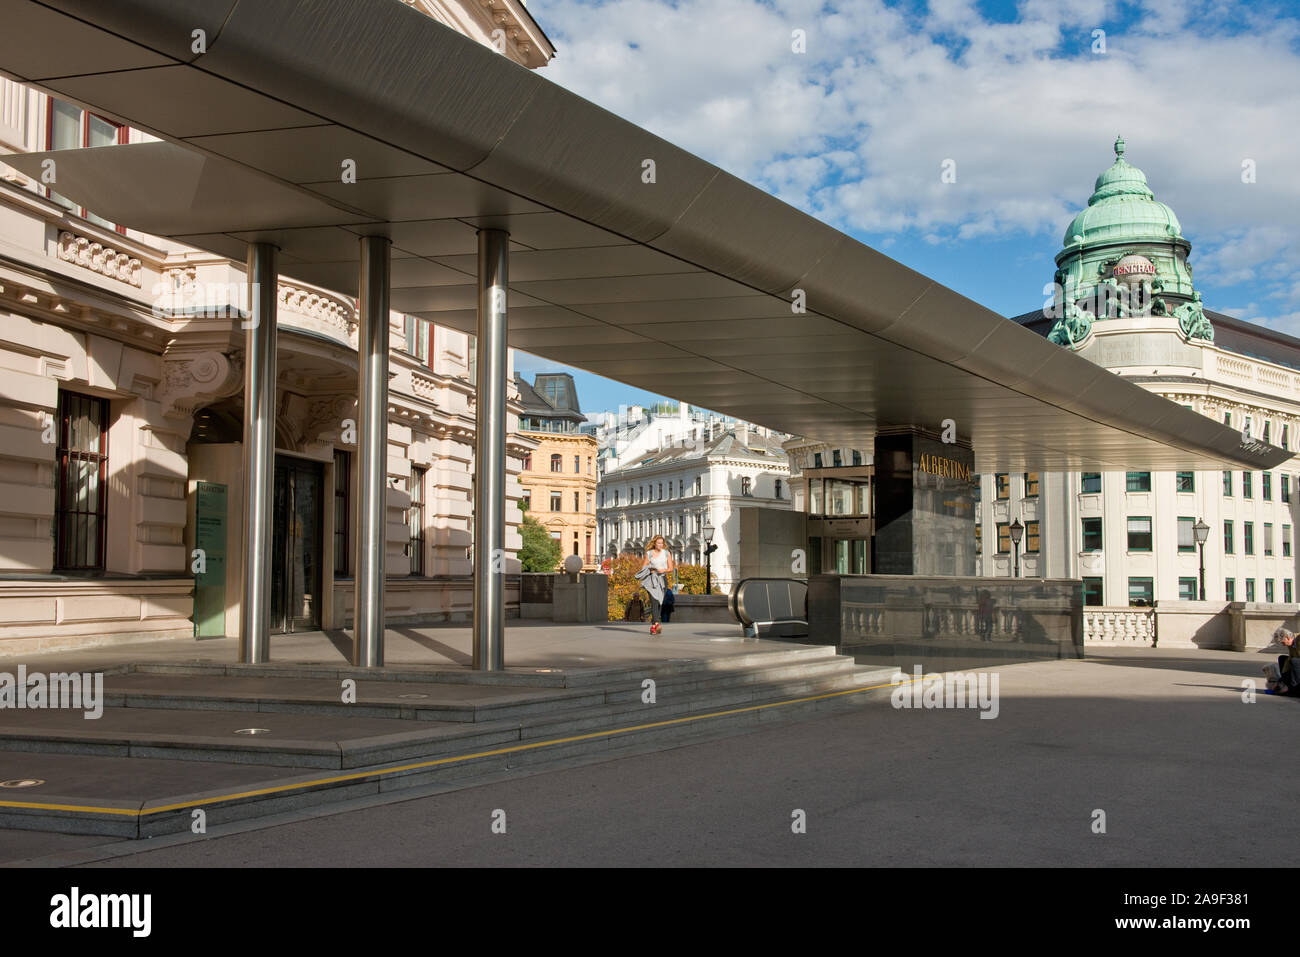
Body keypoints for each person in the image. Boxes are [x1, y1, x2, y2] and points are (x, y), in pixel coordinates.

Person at [637, 536, 675, 635]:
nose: (660, 545)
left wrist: (664, 570)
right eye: (658, 543)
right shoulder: (649, 554)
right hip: (651, 579)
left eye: (661, 543)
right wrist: (651, 569)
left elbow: (671, 568)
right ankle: (655, 625)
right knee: (654, 601)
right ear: (654, 543)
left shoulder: (666, 553)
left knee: (659, 602)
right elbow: (644, 567)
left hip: (662, 579)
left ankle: (656, 624)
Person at [1266, 627, 1300, 695]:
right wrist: (1282, 679)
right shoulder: (1291, 644)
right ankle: (1287, 686)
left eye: (1283, 642)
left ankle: (1296, 688)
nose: (1283, 645)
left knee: (1294, 661)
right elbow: (1290, 658)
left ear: (1287, 637)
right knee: (1282, 658)